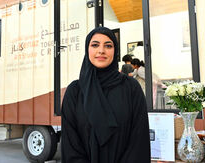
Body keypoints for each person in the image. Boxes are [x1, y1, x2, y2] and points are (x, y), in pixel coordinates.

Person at [61, 27, 150, 163]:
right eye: (95, 45)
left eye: (108, 45)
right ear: (87, 49)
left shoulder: (131, 88)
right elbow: (70, 145)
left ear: (115, 51)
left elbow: (139, 141)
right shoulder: (75, 91)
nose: (101, 50)